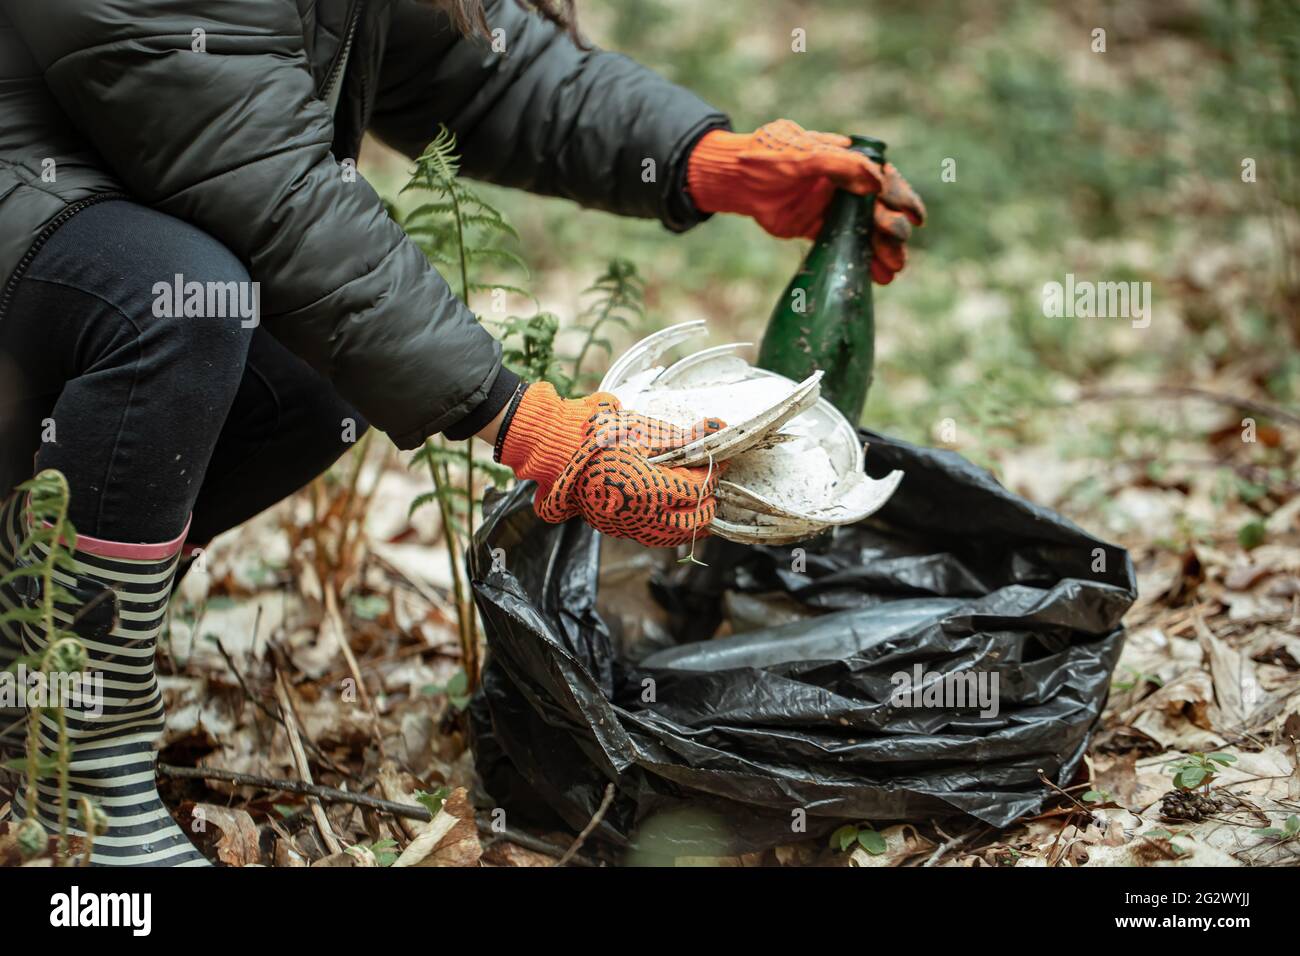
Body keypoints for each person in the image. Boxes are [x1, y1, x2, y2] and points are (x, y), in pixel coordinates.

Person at [0, 0, 924, 865]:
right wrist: (523, 420)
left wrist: (710, 161)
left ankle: (34, 629)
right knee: (177, 305)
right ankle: (72, 747)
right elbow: (266, 184)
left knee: (311, 388)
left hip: (69, 204)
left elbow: (488, 76)